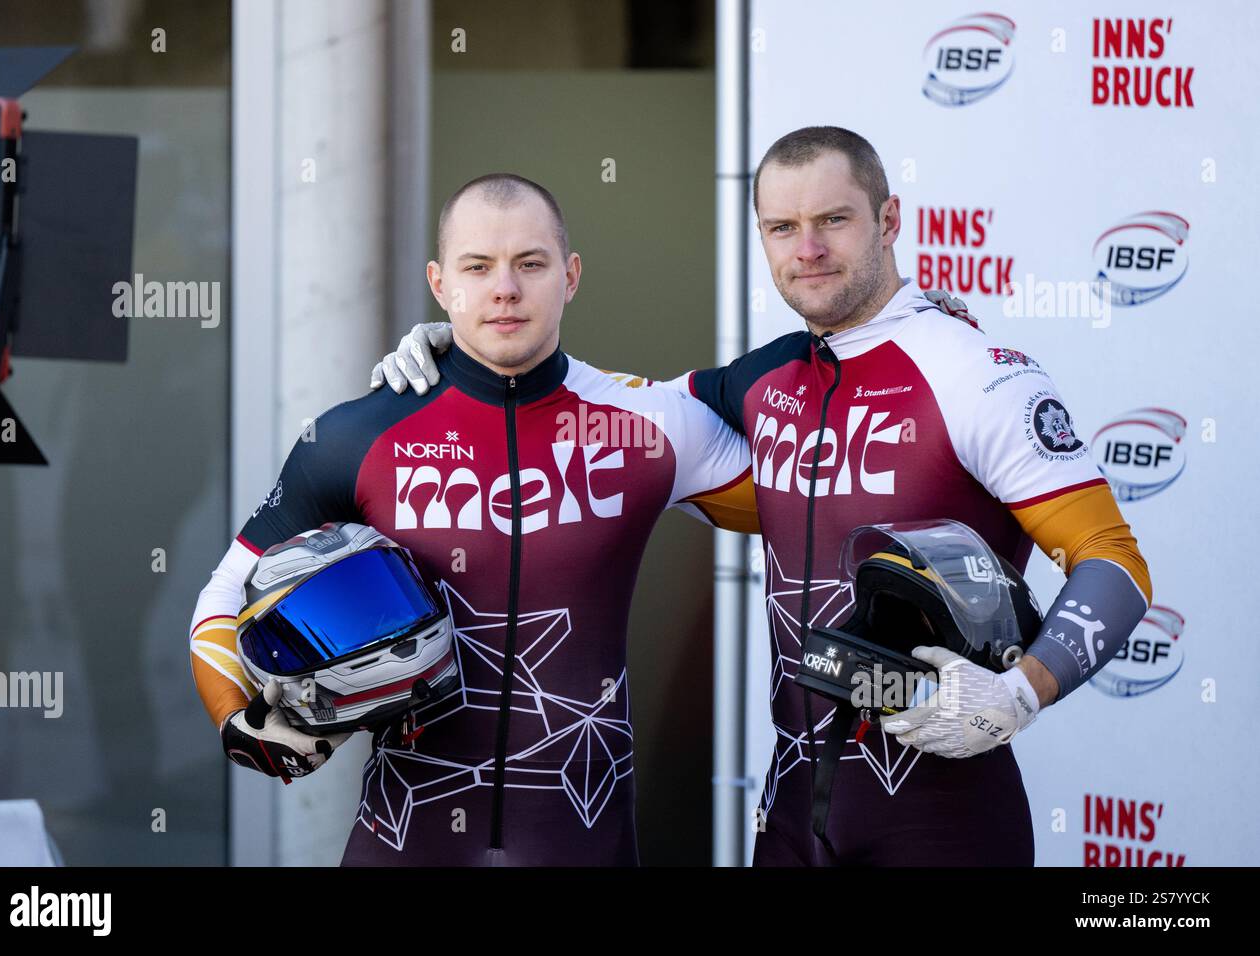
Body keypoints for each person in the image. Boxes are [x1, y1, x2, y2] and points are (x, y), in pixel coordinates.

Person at [373, 127, 1153, 866]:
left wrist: (1023, 690)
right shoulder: (764, 378)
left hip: (945, 812)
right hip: (791, 814)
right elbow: (604, 405)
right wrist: (467, 356)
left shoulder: (975, 372)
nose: (807, 249)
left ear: (889, 221)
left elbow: (1112, 562)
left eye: (833, 221)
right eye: (782, 227)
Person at [188, 173, 757, 866]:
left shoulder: (652, 424)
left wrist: (906, 322)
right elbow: (224, 594)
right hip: (401, 843)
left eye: (531, 263)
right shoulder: (356, 432)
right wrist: (238, 720)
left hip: (585, 845)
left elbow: (820, 498)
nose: (505, 289)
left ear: (571, 276)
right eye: (477, 267)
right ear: (439, 282)